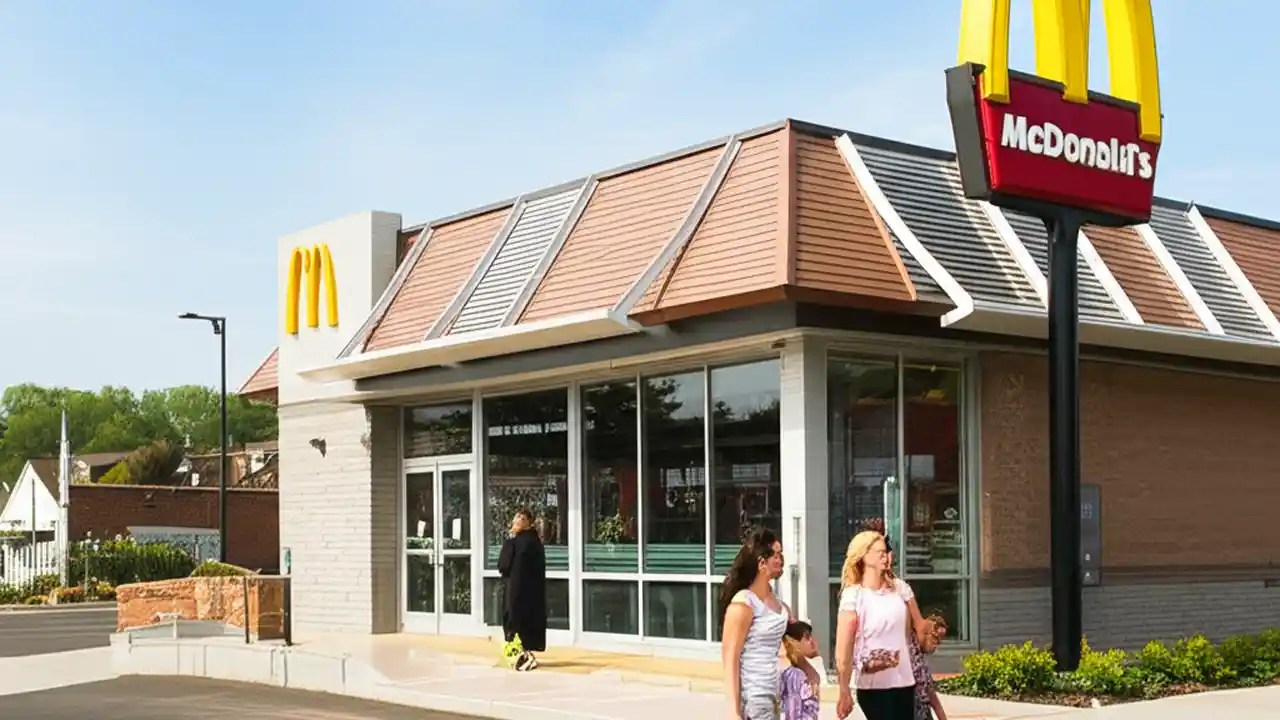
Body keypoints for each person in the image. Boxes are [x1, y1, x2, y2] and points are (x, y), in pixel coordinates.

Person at [834, 530, 916, 720]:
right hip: (873, 685)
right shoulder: (854, 595)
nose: (884, 556)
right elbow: (843, 648)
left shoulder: (898, 591)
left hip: (904, 681)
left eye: (885, 552)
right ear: (864, 556)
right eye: (879, 552)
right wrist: (844, 689)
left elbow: (907, 635)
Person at [720, 527, 792, 720]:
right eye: (776, 555)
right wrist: (734, 711)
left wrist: (810, 671)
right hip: (754, 699)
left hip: (776, 696)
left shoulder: (778, 604)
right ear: (762, 563)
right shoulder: (744, 604)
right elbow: (730, 657)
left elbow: (792, 645)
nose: (781, 560)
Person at [498, 507, 547, 671]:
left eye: (520, 518)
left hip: (516, 590)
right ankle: (525, 654)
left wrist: (510, 539)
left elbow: (503, 565)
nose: (516, 520)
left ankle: (524, 657)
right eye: (516, 517)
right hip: (532, 592)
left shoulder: (517, 541)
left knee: (514, 621)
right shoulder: (536, 542)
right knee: (526, 622)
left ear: (528, 523)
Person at [779, 620, 822, 720]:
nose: (812, 641)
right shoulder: (794, 675)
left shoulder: (808, 669)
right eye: (806, 637)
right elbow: (793, 713)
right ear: (794, 642)